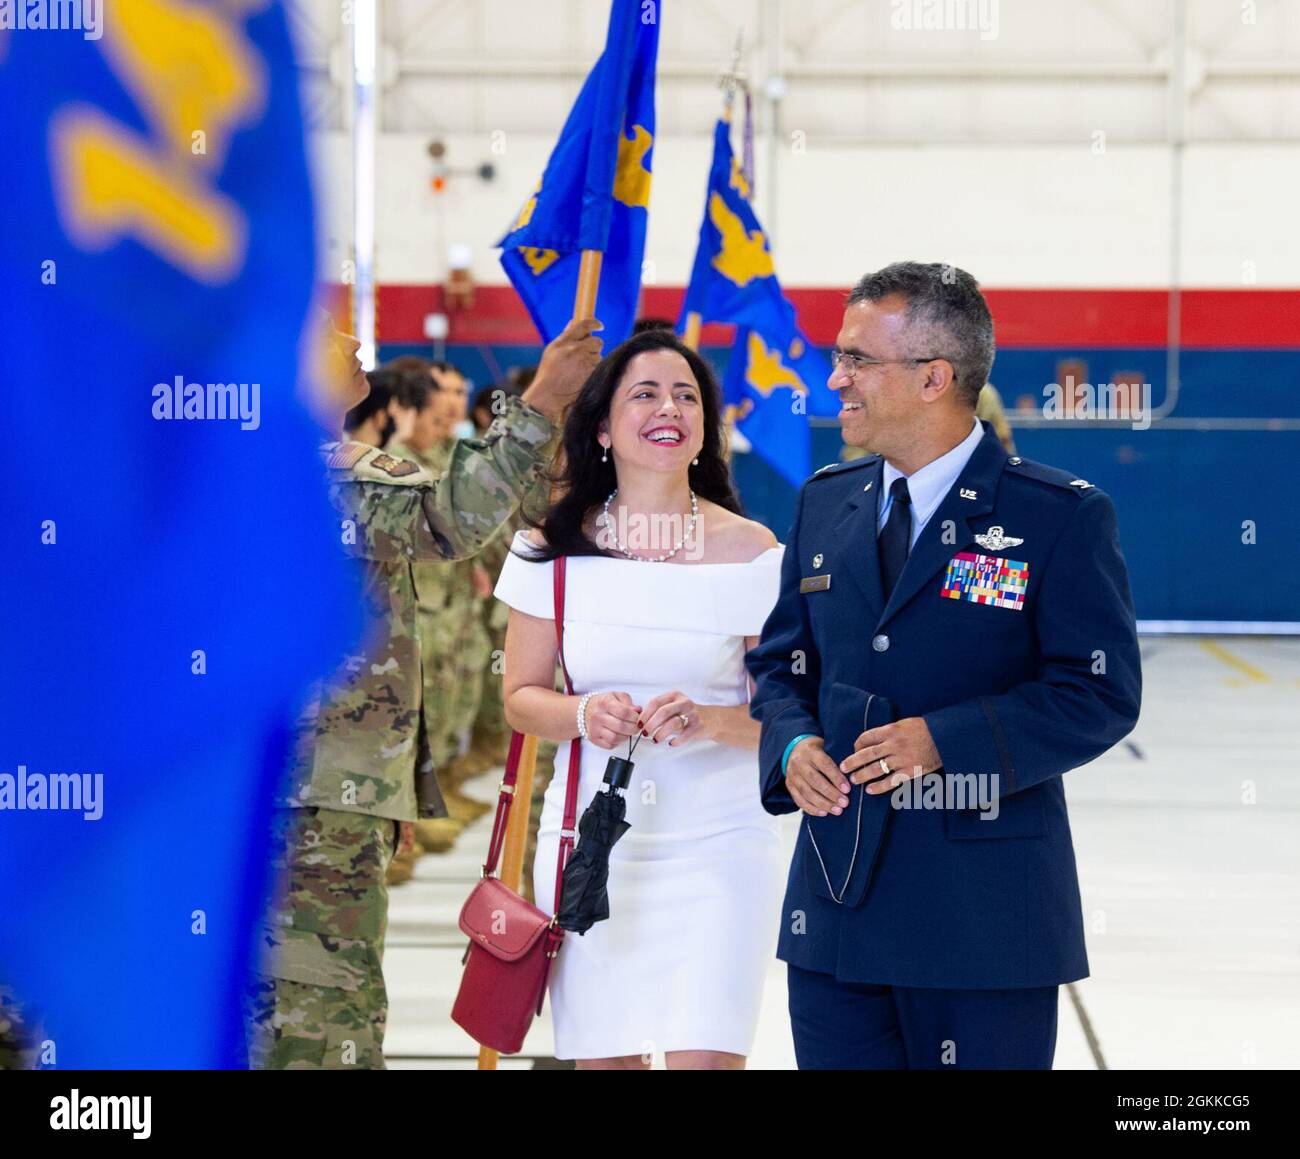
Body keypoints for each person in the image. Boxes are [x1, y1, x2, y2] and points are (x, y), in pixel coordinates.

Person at [746, 262, 1142, 1070]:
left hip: (985, 923)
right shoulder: (826, 500)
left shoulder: (1055, 516)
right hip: (837, 908)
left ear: (934, 377)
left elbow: (1097, 692)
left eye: (858, 359)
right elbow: (782, 664)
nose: (835, 378)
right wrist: (791, 745)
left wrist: (943, 741)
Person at [244, 315, 600, 1069]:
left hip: (273, 781)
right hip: (318, 790)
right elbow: (450, 519)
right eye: (331, 330)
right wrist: (542, 397)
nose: (353, 341)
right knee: (323, 1011)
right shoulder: (330, 475)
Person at [495, 329, 785, 1070]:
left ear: (705, 429)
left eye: (688, 395)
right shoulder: (548, 551)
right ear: (601, 426)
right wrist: (584, 714)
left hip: (722, 848)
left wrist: (709, 719)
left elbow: (786, 718)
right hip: (596, 851)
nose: (670, 407)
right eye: (646, 393)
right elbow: (521, 698)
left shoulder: (753, 554)